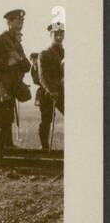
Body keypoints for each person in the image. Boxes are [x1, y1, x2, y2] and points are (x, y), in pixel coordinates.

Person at [0, 9, 30, 166]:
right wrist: (6, 65)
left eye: (22, 20)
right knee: (0, 122)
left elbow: (27, 66)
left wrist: (20, 60)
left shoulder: (15, 43)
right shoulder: (1, 40)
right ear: (8, 22)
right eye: (17, 20)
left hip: (9, 89)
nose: (20, 23)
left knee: (4, 122)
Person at [35, 21, 64, 150]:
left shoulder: (66, 53)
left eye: (61, 34)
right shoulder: (44, 54)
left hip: (62, 92)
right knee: (46, 120)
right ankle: (44, 147)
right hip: (47, 93)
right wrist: (51, 90)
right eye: (56, 34)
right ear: (50, 35)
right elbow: (42, 76)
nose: (59, 37)